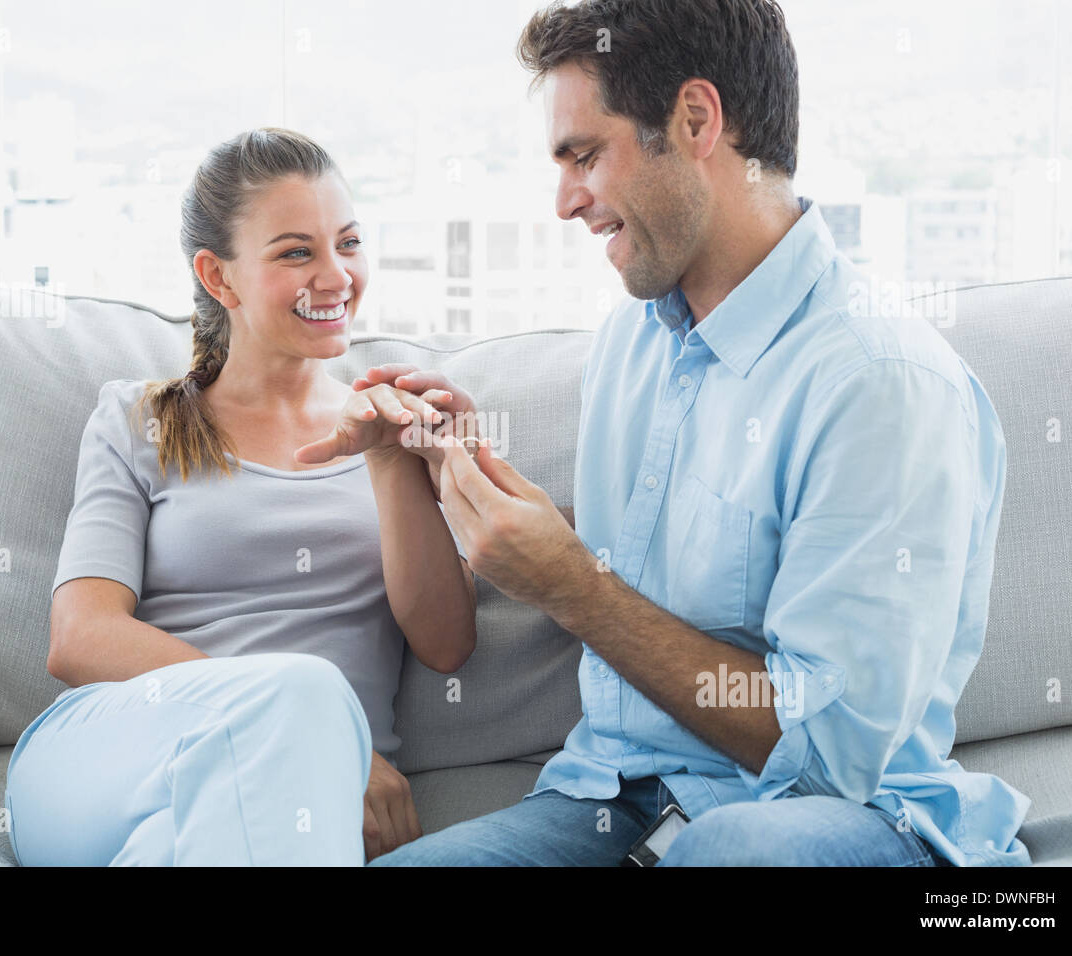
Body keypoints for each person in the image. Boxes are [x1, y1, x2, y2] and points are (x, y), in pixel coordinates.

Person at [370, 0, 1031, 866]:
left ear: (694, 121)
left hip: (824, 817)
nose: (567, 201)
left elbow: (828, 757)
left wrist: (575, 586)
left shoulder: (880, 382)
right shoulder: (630, 343)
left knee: (731, 853)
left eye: (584, 155)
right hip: (611, 799)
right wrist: (461, 471)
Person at [4, 127, 478, 866]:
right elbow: (81, 637)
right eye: (297, 252)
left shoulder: (386, 428)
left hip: (273, 809)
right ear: (218, 278)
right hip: (104, 761)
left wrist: (391, 465)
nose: (337, 276)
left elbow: (447, 646)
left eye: (348, 244)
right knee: (305, 695)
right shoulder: (141, 420)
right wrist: (319, 740)